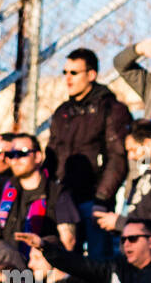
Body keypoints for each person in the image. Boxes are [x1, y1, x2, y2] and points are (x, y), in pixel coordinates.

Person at [46, 47, 131, 255]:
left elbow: (117, 158)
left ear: (91, 75)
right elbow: (52, 155)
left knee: (97, 265)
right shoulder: (62, 112)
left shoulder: (111, 108)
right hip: (64, 200)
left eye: (74, 73)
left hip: (94, 201)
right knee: (63, 262)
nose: (68, 78)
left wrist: (101, 200)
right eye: (65, 72)